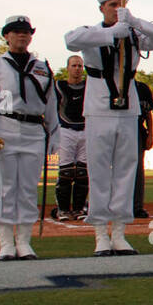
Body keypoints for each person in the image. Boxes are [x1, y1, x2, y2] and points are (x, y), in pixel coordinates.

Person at [65, 0, 153, 256]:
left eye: (122, 5)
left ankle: (121, 233)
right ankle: (101, 233)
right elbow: (71, 41)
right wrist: (112, 33)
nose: (117, 9)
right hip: (99, 107)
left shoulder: (134, 34)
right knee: (100, 171)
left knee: (126, 171)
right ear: (101, 9)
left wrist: (135, 22)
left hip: (128, 108)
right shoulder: (91, 33)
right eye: (112, 5)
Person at [0, 15, 59, 260]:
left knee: (26, 189)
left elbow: (51, 102)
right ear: (6, 36)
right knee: (4, 189)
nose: (22, 35)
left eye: (26, 31)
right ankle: (5, 244)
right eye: (16, 31)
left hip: (34, 131)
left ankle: (24, 242)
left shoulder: (42, 66)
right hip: (5, 128)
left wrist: (54, 132)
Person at [52, 55, 88, 220]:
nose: (77, 69)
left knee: (82, 171)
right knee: (66, 171)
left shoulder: (89, 86)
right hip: (65, 129)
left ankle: (80, 208)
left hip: (86, 129)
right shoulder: (59, 86)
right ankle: (63, 208)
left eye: (80, 66)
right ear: (67, 67)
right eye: (74, 65)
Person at [132, 79, 153, 219]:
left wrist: (150, 135)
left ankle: (137, 207)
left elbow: (148, 114)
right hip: (116, 128)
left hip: (137, 131)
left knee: (138, 170)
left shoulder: (142, 88)